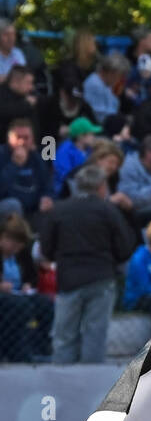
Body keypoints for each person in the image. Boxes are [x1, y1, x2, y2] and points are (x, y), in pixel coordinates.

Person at [44, 163, 137, 364]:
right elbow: (124, 248)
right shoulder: (108, 211)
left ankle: (62, 384)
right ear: (102, 186)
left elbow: (46, 250)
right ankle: (90, 388)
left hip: (68, 280)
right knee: (95, 336)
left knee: (64, 336)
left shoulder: (59, 211)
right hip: (101, 279)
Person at [0, 213, 53, 361]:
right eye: (14, 245)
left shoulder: (21, 255)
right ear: (3, 237)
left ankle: (41, 348)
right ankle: (15, 352)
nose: (17, 250)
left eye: (20, 247)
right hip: (6, 298)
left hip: (18, 295)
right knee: (21, 307)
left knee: (45, 304)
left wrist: (27, 285)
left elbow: (32, 277)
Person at [0, 118, 53, 220]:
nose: (21, 142)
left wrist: (47, 197)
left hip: (33, 208)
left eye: (26, 138)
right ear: (9, 138)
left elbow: (47, 184)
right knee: (13, 205)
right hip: (7, 207)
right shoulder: (2, 154)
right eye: (18, 137)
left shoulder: (37, 157)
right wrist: (14, 165)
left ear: (32, 139)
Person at [52, 116, 103, 196]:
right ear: (81, 136)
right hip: (66, 193)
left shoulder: (89, 149)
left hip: (86, 189)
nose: (94, 137)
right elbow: (66, 177)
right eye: (91, 134)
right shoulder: (64, 152)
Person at [82, 53, 130, 126]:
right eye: (119, 76)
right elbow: (100, 116)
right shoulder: (95, 84)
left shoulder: (106, 84)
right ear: (111, 73)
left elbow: (114, 106)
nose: (119, 80)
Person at [0, 62, 40, 138]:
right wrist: (26, 105)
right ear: (15, 82)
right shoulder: (2, 94)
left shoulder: (27, 95)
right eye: (28, 83)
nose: (31, 87)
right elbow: (6, 111)